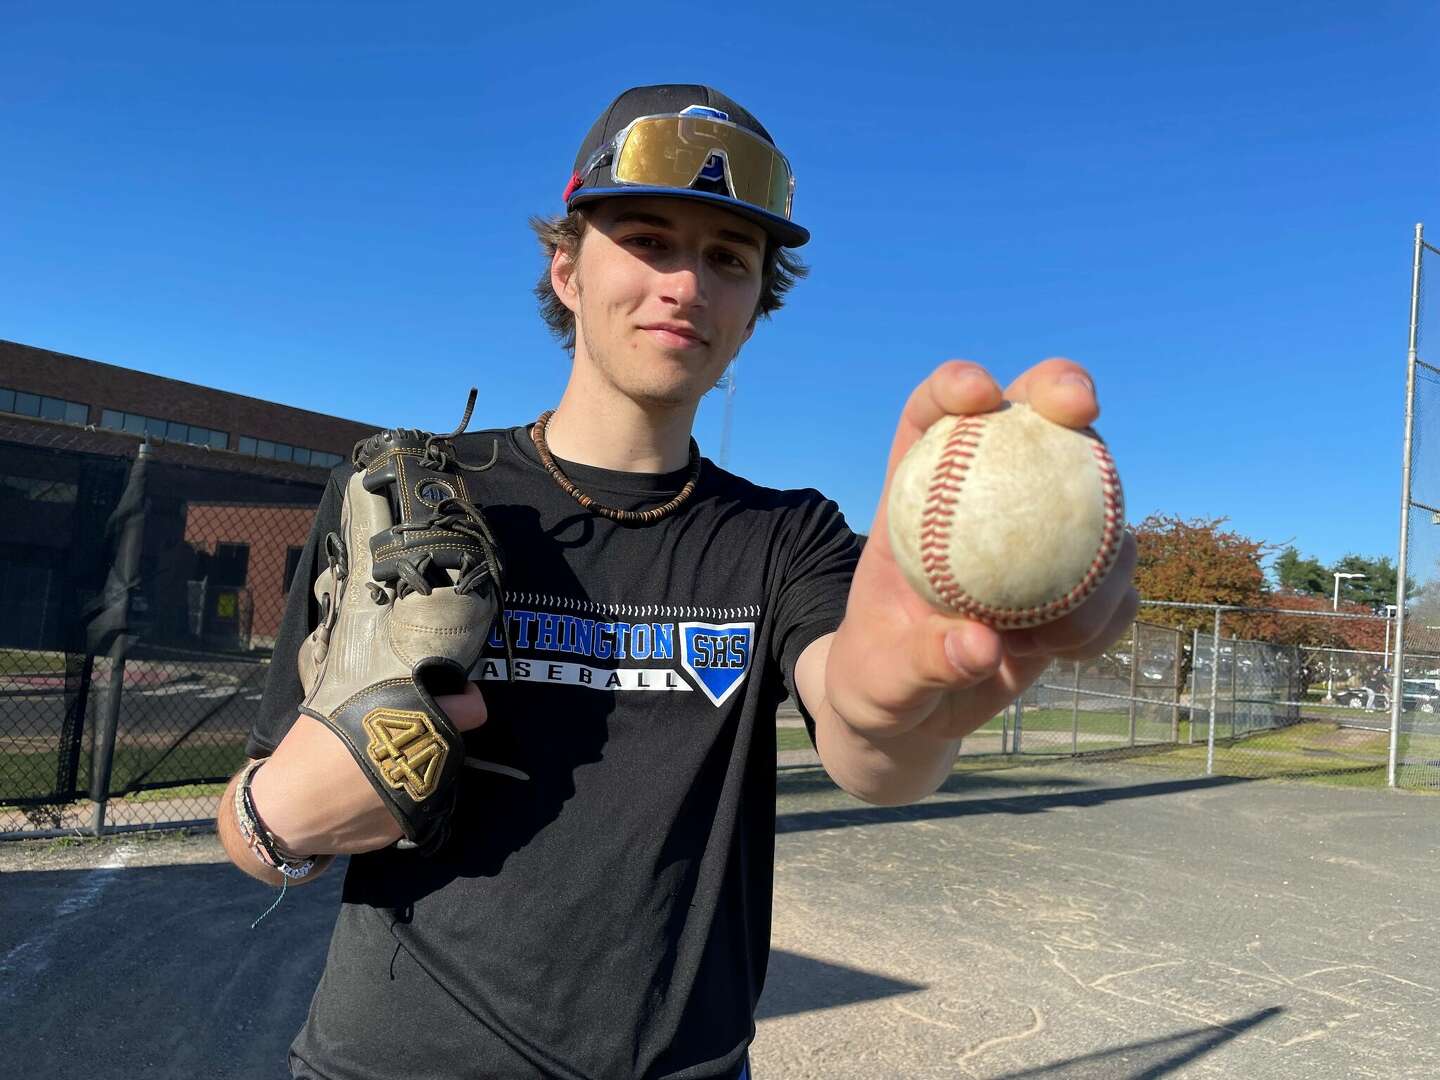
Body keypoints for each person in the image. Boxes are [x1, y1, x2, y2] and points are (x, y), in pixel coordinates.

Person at [217, 83, 1138, 1080]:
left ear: (753, 310)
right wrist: (279, 820)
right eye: (649, 239)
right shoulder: (413, 502)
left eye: (728, 260)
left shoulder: (786, 537)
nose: (686, 283)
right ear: (566, 270)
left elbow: (874, 746)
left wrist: (905, 710)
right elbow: (250, 814)